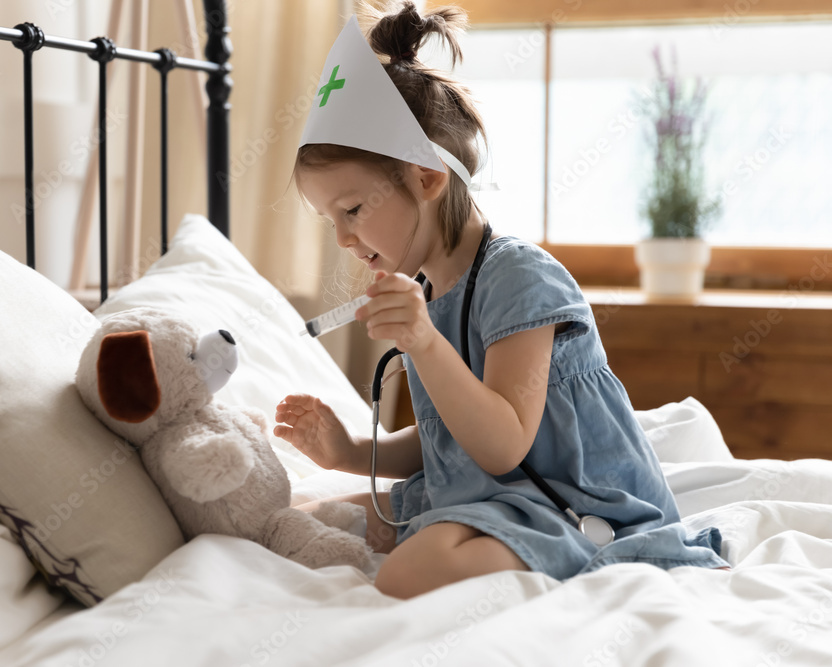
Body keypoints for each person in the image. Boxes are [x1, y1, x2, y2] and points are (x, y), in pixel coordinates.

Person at [274, 1, 728, 600]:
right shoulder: (430, 292)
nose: (343, 238)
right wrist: (353, 452)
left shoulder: (519, 278)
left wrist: (424, 342)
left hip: (579, 507)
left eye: (353, 210)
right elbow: (449, 435)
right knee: (306, 521)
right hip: (498, 494)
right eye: (329, 218)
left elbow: (503, 441)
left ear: (427, 178)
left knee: (410, 570)